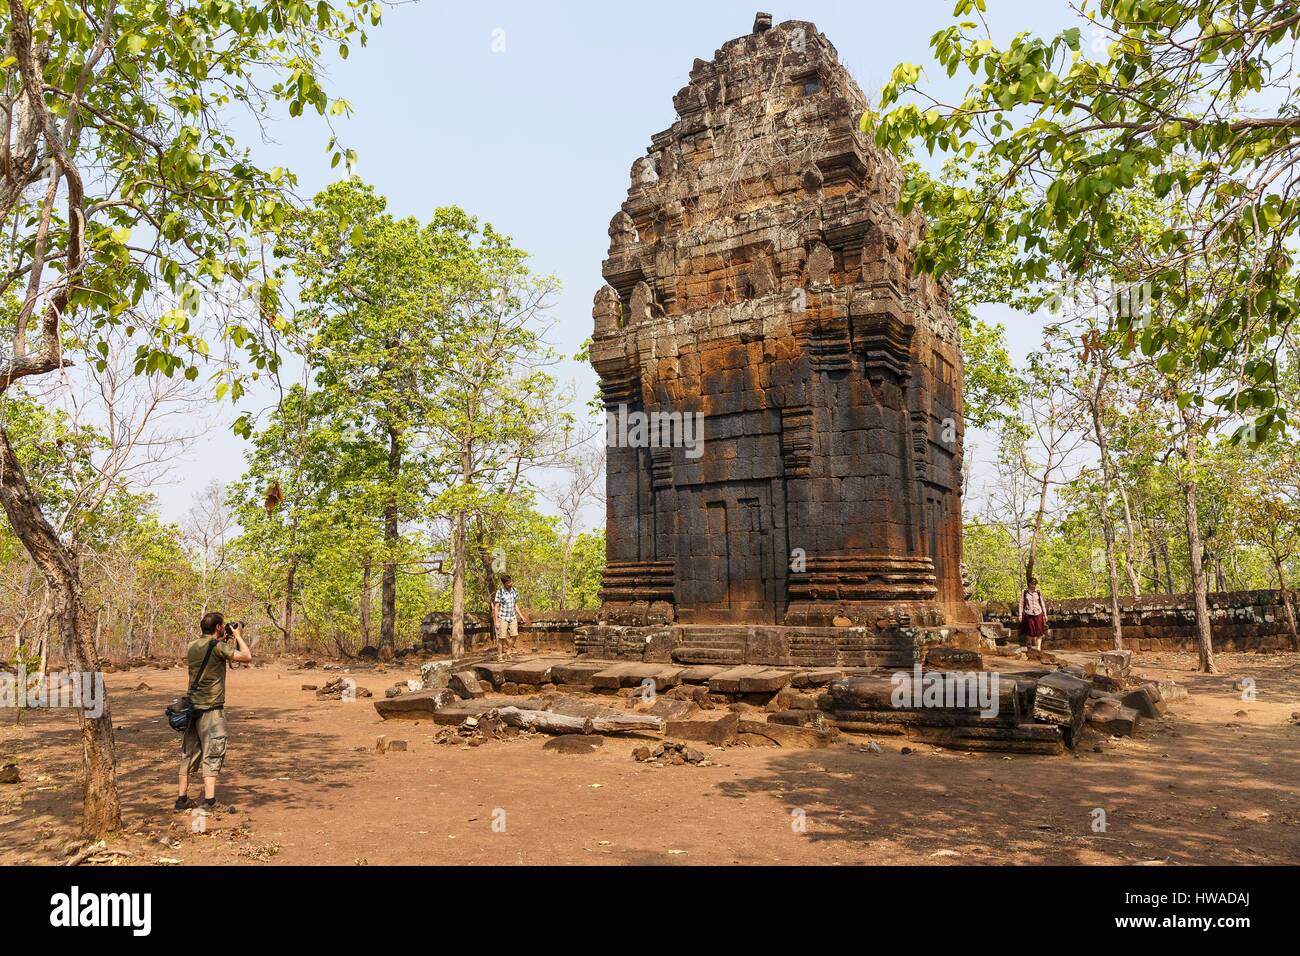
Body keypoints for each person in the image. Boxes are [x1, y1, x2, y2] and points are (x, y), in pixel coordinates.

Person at [176, 611, 251, 812]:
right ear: (218, 627)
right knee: (213, 752)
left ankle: (181, 799)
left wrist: (225, 639)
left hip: (192, 709)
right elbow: (246, 656)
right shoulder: (218, 647)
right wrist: (238, 637)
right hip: (211, 710)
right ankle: (210, 801)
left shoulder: (192, 646)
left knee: (189, 754)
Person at [491, 575, 528, 661]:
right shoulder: (500, 592)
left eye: (511, 581)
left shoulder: (514, 591)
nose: (511, 583)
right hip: (503, 617)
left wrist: (521, 616)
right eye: (508, 582)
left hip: (512, 616)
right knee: (502, 637)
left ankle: (508, 651)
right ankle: (499, 656)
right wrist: (496, 621)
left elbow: (515, 605)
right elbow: (496, 607)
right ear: (504, 584)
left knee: (515, 635)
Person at [1018, 577, 1048, 650]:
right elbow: (1021, 603)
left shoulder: (1038, 592)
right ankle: (1029, 647)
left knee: (1039, 631)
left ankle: (1038, 649)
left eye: (1035, 584)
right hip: (1029, 613)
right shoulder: (1024, 592)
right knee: (1030, 632)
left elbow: (1042, 603)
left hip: (1038, 612)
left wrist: (1045, 614)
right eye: (1032, 584)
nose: (1033, 586)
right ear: (1029, 584)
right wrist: (1020, 615)